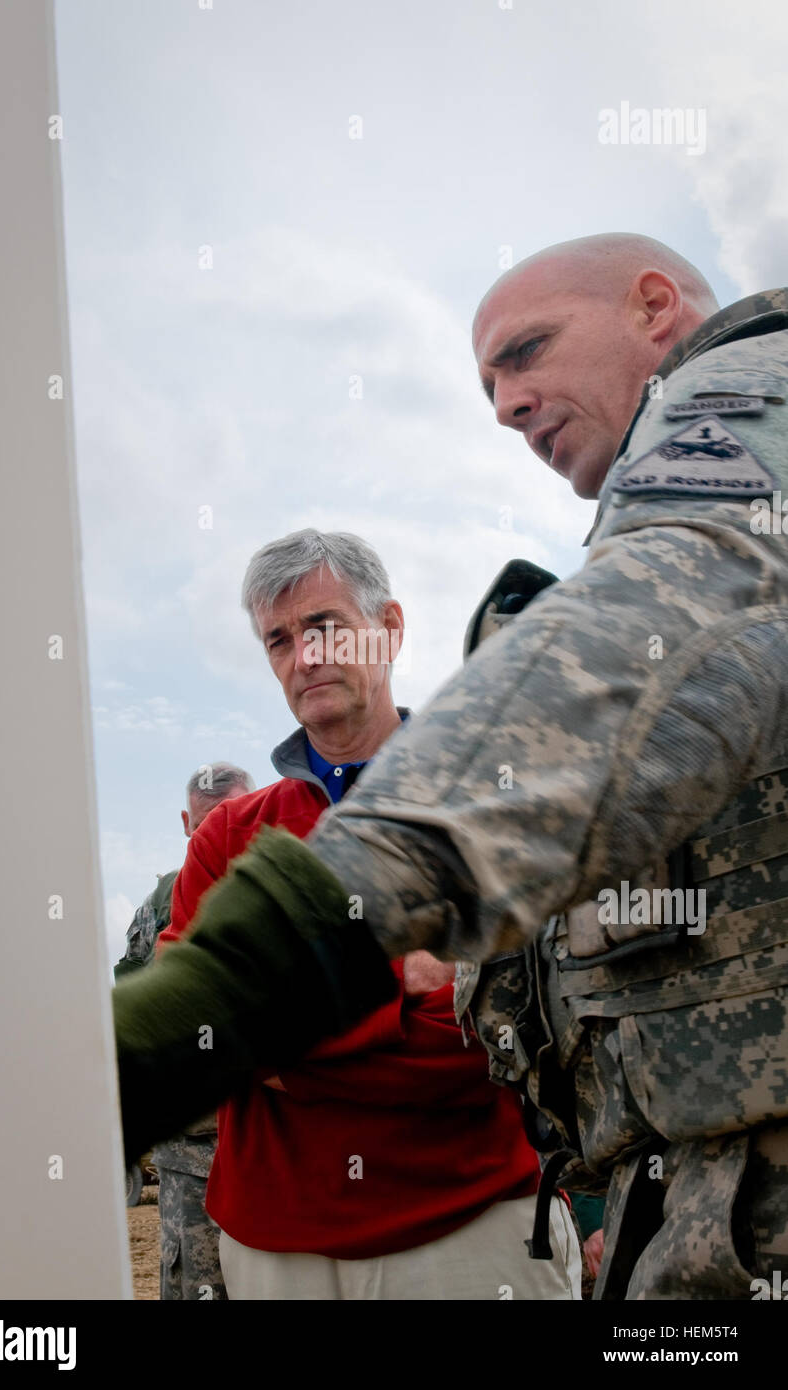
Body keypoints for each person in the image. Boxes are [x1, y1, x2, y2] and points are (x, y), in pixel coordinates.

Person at [114, 235, 788, 1300]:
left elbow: (634, 642)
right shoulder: (237, 831)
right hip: (693, 1192)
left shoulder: (749, 393)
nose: (505, 404)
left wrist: (262, 976)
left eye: (527, 353)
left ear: (653, 304)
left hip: (498, 1223)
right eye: (486, 384)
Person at [157, 529, 580, 1300]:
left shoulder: (488, 802)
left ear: (387, 628)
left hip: (471, 1228)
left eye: (323, 626)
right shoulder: (228, 836)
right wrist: (400, 989)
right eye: (278, 640)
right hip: (274, 1249)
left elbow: (500, 1031)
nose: (303, 657)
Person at [117, 760, 254, 1301]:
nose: (216, 836)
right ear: (184, 823)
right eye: (203, 826)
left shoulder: (286, 889)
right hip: (196, 1152)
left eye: (230, 818)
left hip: (279, 1142)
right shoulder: (159, 906)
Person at [114, 764, 254, 978]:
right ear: (186, 823)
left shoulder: (279, 887)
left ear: (256, 816)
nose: (215, 842)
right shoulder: (158, 901)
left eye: (227, 826)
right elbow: (131, 974)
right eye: (203, 829)